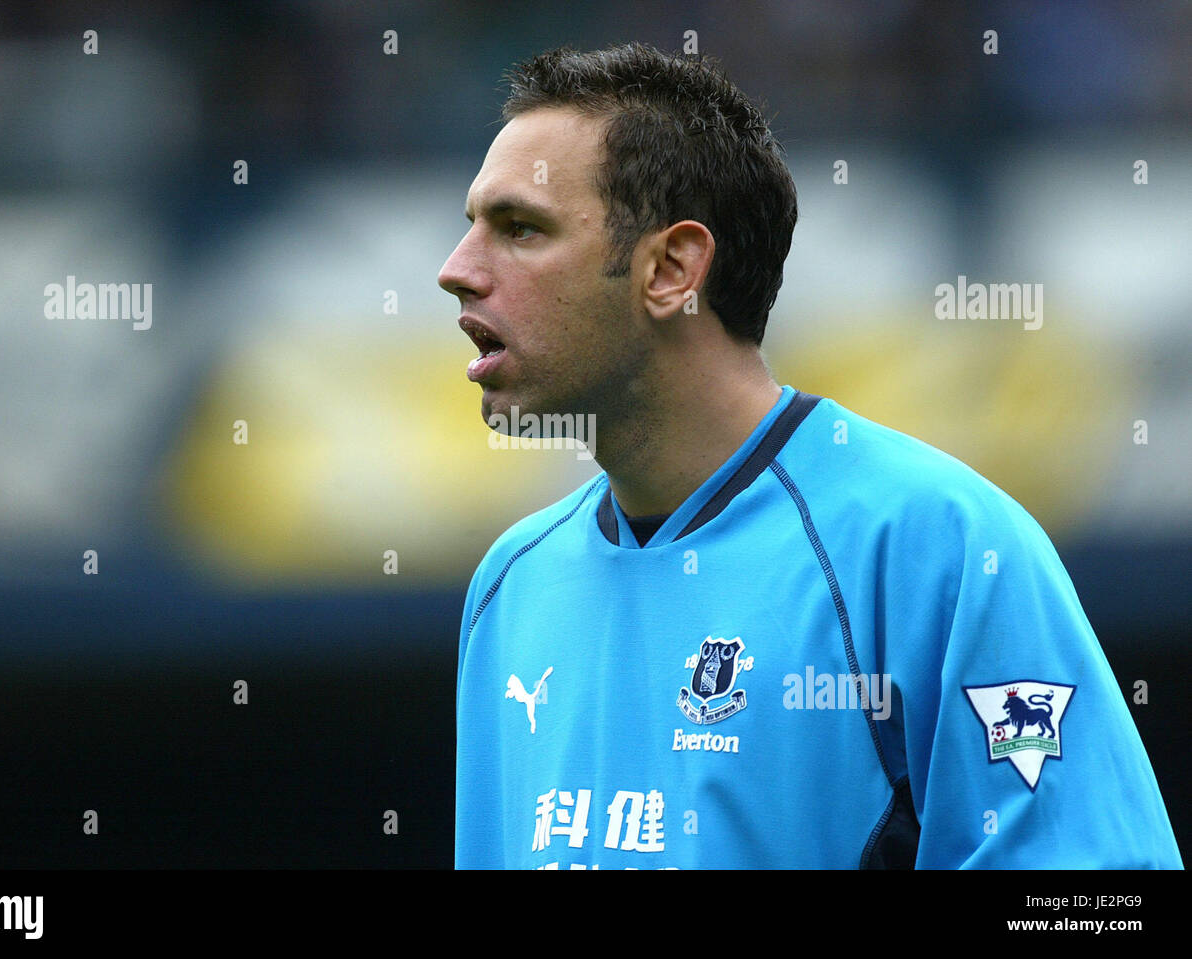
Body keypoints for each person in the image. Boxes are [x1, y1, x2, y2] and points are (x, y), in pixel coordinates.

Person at [438, 42, 1182, 869]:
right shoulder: (509, 585)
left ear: (673, 269)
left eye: (519, 228)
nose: (456, 270)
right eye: (471, 228)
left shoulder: (937, 545)